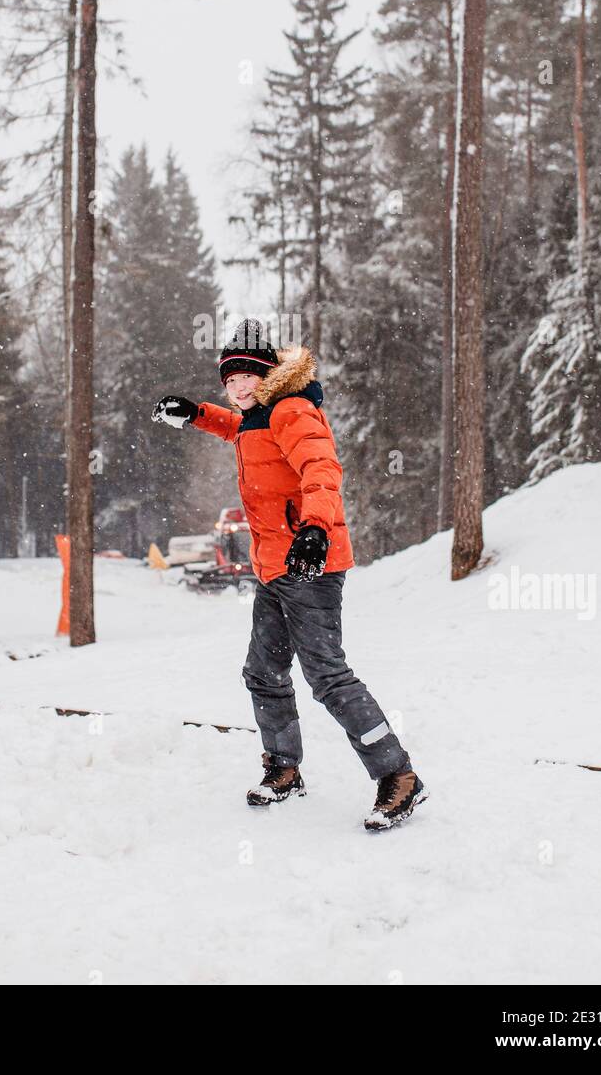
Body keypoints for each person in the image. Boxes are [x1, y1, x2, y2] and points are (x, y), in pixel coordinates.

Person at [152, 318, 427, 831]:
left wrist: (317, 527)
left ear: (269, 375)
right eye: (229, 381)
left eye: (247, 378)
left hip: (310, 563)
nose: (237, 387)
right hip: (274, 568)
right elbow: (236, 428)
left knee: (326, 675)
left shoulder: (293, 409)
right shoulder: (256, 417)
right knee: (263, 671)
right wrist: (195, 414)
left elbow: (322, 468)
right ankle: (283, 769)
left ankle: (399, 777)